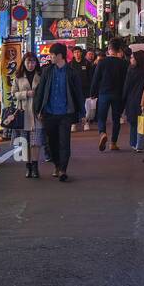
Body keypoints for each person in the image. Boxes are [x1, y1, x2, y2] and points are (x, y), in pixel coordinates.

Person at [33, 42, 86, 182]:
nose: (50, 57)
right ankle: (57, 164)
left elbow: (78, 94)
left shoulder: (71, 72)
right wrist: (38, 109)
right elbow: (41, 91)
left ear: (60, 56)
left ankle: (63, 169)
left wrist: (82, 113)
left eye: (52, 55)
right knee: (52, 142)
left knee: (64, 142)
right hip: (49, 113)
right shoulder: (47, 71)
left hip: (65, 113)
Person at [91, 39, 129, 151]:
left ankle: (102, 133)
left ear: (109, 49)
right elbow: (126, 81)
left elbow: (96, 78)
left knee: (101, 116)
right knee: (116, 119)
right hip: (118, 94)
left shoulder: (102, 62)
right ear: (119, 50)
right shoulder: (124, 63)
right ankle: (113, 143)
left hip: (104, 92)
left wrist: (93, 92)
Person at [12, 52, 43, 178]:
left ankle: (35, 167)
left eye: (33, 62)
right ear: (24, 63)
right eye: (28, 62)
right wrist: (26, 94)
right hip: (23, 112)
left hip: (37, 112)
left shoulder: (40, 75)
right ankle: (28, 166)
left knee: (36, 142)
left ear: (36, 63)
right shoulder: (18, 76)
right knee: (24, 142)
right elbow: (14, 93)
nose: (31, 64)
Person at [122, 50, 144, 151]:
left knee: (134, 123)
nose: (130, 59)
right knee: (142, 121)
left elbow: (126, 86)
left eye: (132, 58)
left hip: (132, 99)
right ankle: (140, 144)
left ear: (137, 59)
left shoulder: (131, 70)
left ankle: (134, 143)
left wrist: (123, 99)